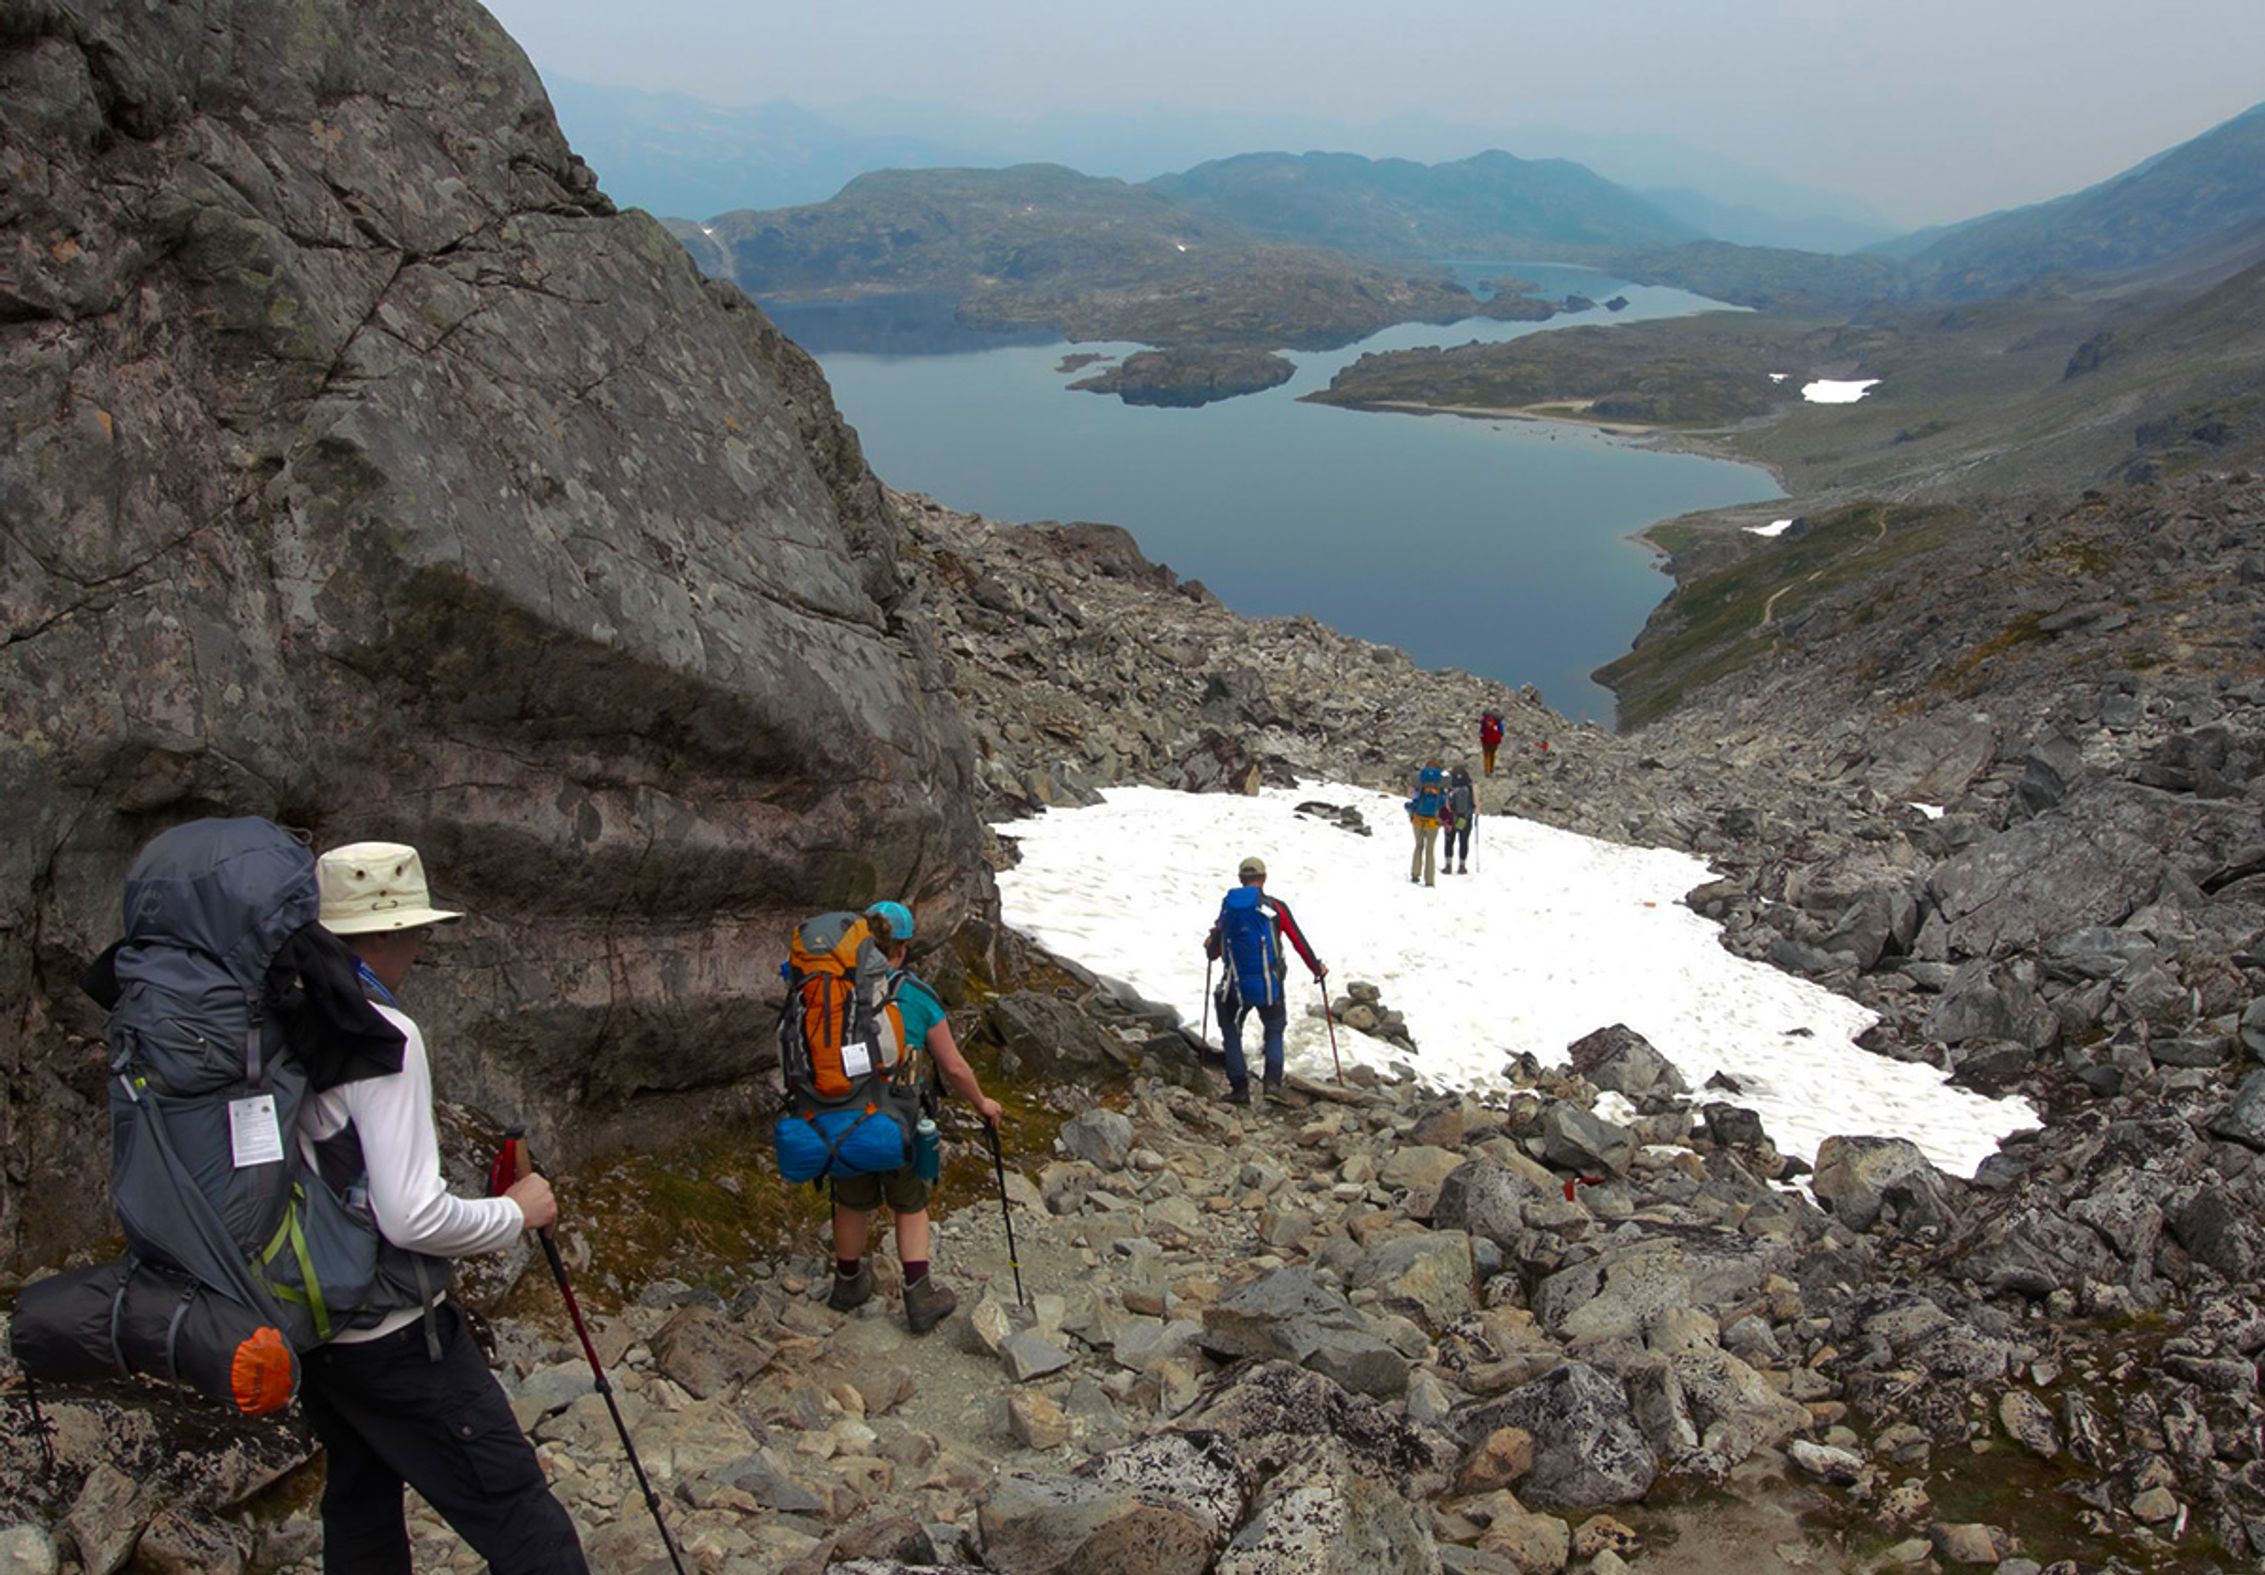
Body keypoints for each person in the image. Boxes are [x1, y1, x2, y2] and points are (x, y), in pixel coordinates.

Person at [303, 841, 589, 1575]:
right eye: (420, 931)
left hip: (314, 1325)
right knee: (527, 1524)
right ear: (391, 933)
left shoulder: (286, 1010)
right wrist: (516, 1212)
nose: (423, 947)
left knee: (362, 1510)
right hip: (397, 1333)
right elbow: (410, 1216)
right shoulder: (380, 1032)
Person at [828, 900, 1006, 1334]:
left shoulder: (835, 990)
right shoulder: (916, 995)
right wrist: (983, 1103)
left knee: (850, 1199)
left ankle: (848, 1282)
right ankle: (919, 1294)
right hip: (898, 1117)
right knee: (910, 1204)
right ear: (903, 949)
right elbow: (954, 1066)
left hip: (844, 1115)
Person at [1204, 856, 1327, 1105]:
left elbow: (1214, 952)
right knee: (1274, 1028)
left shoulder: (1228, 909)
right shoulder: (1275, 908)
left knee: (1231, 1031)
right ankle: (1271, 1085)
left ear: (1241, 879)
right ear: (1264, 878)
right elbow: (1297, 939)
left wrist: (1210, 945)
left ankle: (1239, 1089)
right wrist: (1316, 968)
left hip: (1235, 986)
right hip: (1270, 984)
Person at [1408, 758, 1446, 887]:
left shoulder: (1420, 780)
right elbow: (1443, 802)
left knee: (1418, 846)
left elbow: (1414, 797)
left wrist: (1412, 812)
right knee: (1430, 850)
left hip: (1418, 818)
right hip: (1433, 820)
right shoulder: (1440, 782)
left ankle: (1415, 874)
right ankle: (1429, 880)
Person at [1441, 764, 1478, 874]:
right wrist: (1475, 813)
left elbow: (1445, 801)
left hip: (1451, 817)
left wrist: (1445, 815)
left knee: (1449, 841)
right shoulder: (1470, 785)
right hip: (1465, 818)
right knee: (1463, 841)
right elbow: (1476, 802)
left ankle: (1448, 865)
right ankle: (1462, 866)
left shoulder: (1450, 785)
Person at [1479, 711, 1504, 776]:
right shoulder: (1498, 722)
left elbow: (1481, 731)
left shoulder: (1484, 721)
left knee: (1486, 755)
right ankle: (1491, 769)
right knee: (1492, 754)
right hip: (1495, 741)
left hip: (1485, 741)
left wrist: (1481, 738)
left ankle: (1487, 771)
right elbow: (1501, 731)